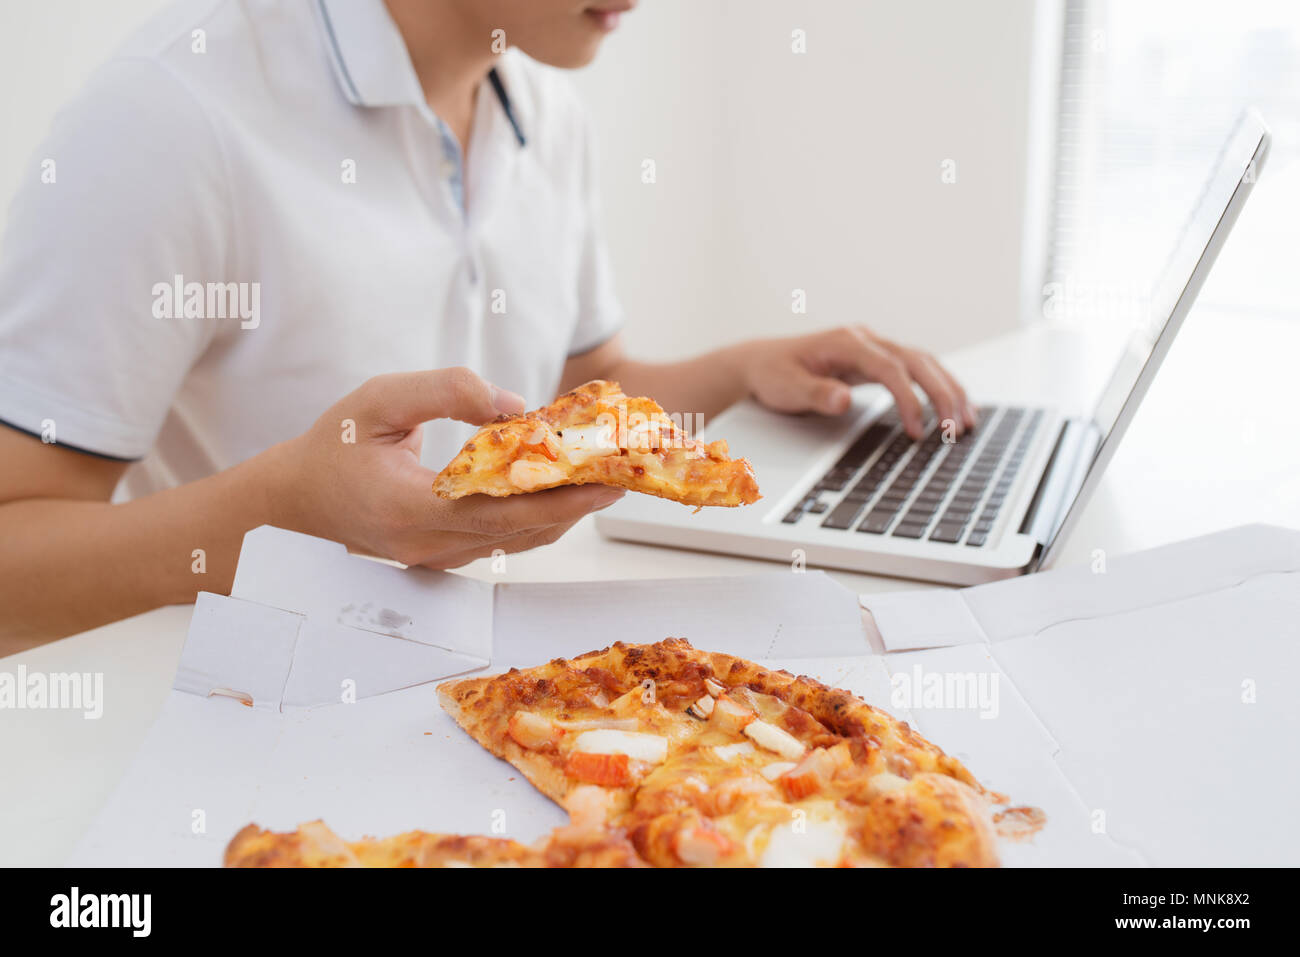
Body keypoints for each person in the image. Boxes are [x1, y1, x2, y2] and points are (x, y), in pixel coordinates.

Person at [0, 0, 974, 649]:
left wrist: (742, 369)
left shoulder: (546, 109)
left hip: (497, 670)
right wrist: (291, 512)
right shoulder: (170, 118)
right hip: (256, 713)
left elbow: (567, 399)